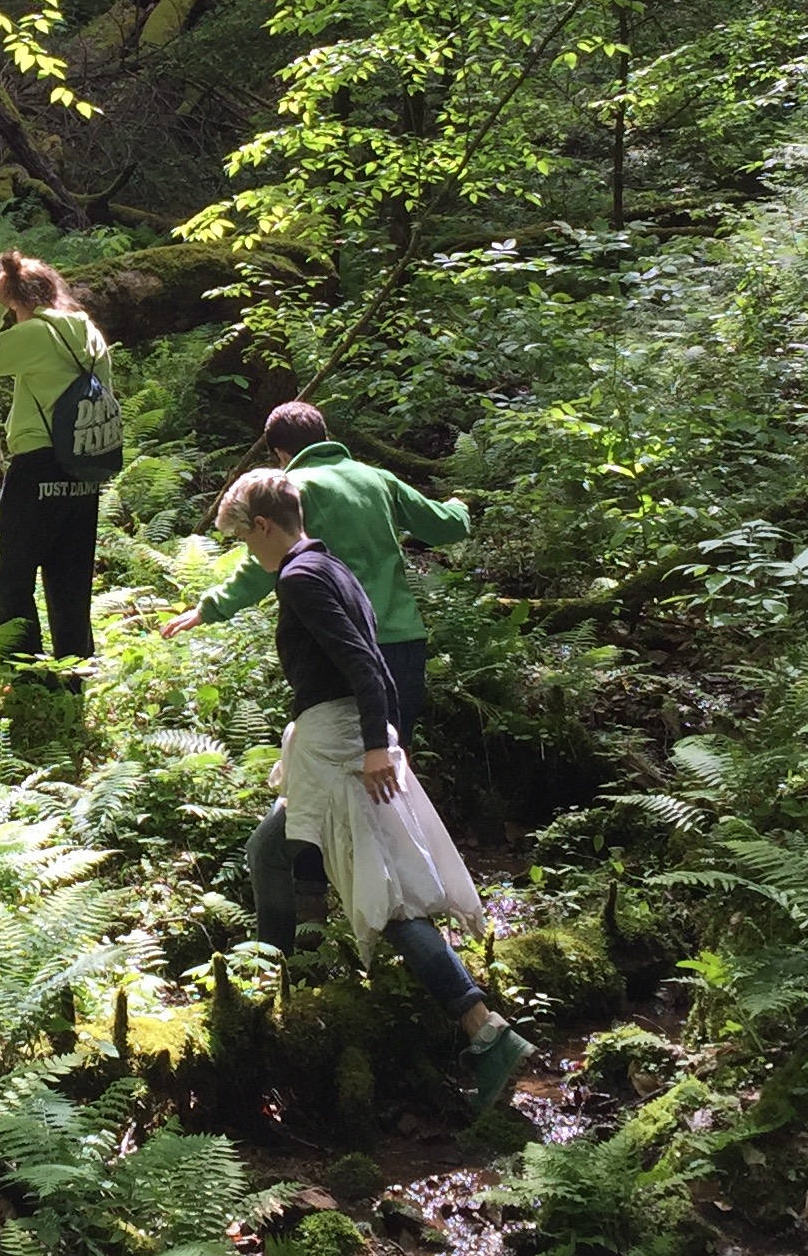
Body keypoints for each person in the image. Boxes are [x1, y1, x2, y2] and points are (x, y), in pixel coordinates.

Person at [215, 467, 531, 1114]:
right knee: (270, 852)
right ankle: (289, 980)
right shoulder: (330, 567)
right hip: (344, 740)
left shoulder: (300, 577)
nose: (249, 552)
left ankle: (484, 1030)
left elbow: (362, 663)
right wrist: (378, 736)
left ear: (266, 527)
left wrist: (374, 747)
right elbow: (373, 659)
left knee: (385, 901)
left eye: (246, 539)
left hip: (340, 748)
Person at [162, 401, 475, 948]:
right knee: (387, 788)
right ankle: (414, 908)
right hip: (401, 642)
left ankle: (325, 921)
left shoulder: (292, 487)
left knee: (324, 798)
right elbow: (445, 527)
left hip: (343, 662)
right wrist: (460, 506)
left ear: (280, 451)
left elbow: (266, 567)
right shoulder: (375, 478)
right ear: (325, 433)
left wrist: (207, 608)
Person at [0, 251, 112, 669]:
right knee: (70, 582)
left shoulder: (36, 333)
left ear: (17, 298)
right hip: (84, 466)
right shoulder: (90, 334)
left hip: (37, 465)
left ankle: (24, 676)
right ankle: (75, 676)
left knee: (13, 577)